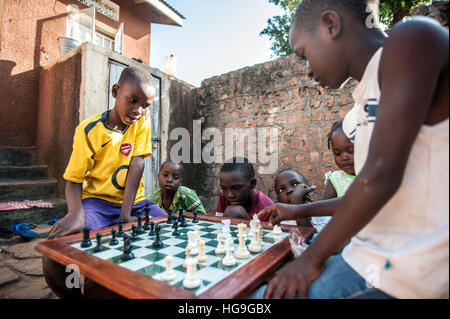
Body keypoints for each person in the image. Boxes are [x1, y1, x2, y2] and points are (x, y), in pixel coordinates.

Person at [256, 0, 448, 299]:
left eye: (304, 54)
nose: (306, 71)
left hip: (407, 274)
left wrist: (311, 259)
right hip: (370, 257)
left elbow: (380, 178)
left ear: (330, 25)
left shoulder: (412, 39)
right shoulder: (365, 99)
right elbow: (364, 188)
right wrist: (299, 209)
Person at [43, 66, 166, 298]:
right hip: (97, 203)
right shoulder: (88, 130)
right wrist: (75, 213)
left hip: (136, 203)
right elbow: (73, 180)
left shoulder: (142, 120)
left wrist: (127, 212)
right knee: (55, 253)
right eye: (132, 100)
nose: (138, 110)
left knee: (168, 228)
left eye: (145, 105)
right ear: (115, 91)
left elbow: (137, 163)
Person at [312, 119, 356, 233]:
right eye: (337, 153)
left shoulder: (372, 176)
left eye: (351, 151)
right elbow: (324, 212)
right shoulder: (336, 179)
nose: (344, 157)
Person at [216, 157, 273, 222]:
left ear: (252, 184)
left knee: (235, 211)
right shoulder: (223, 194)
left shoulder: (267, 207)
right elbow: (218, 223)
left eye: (236, 188)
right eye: (224, 188)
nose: (229, 195)